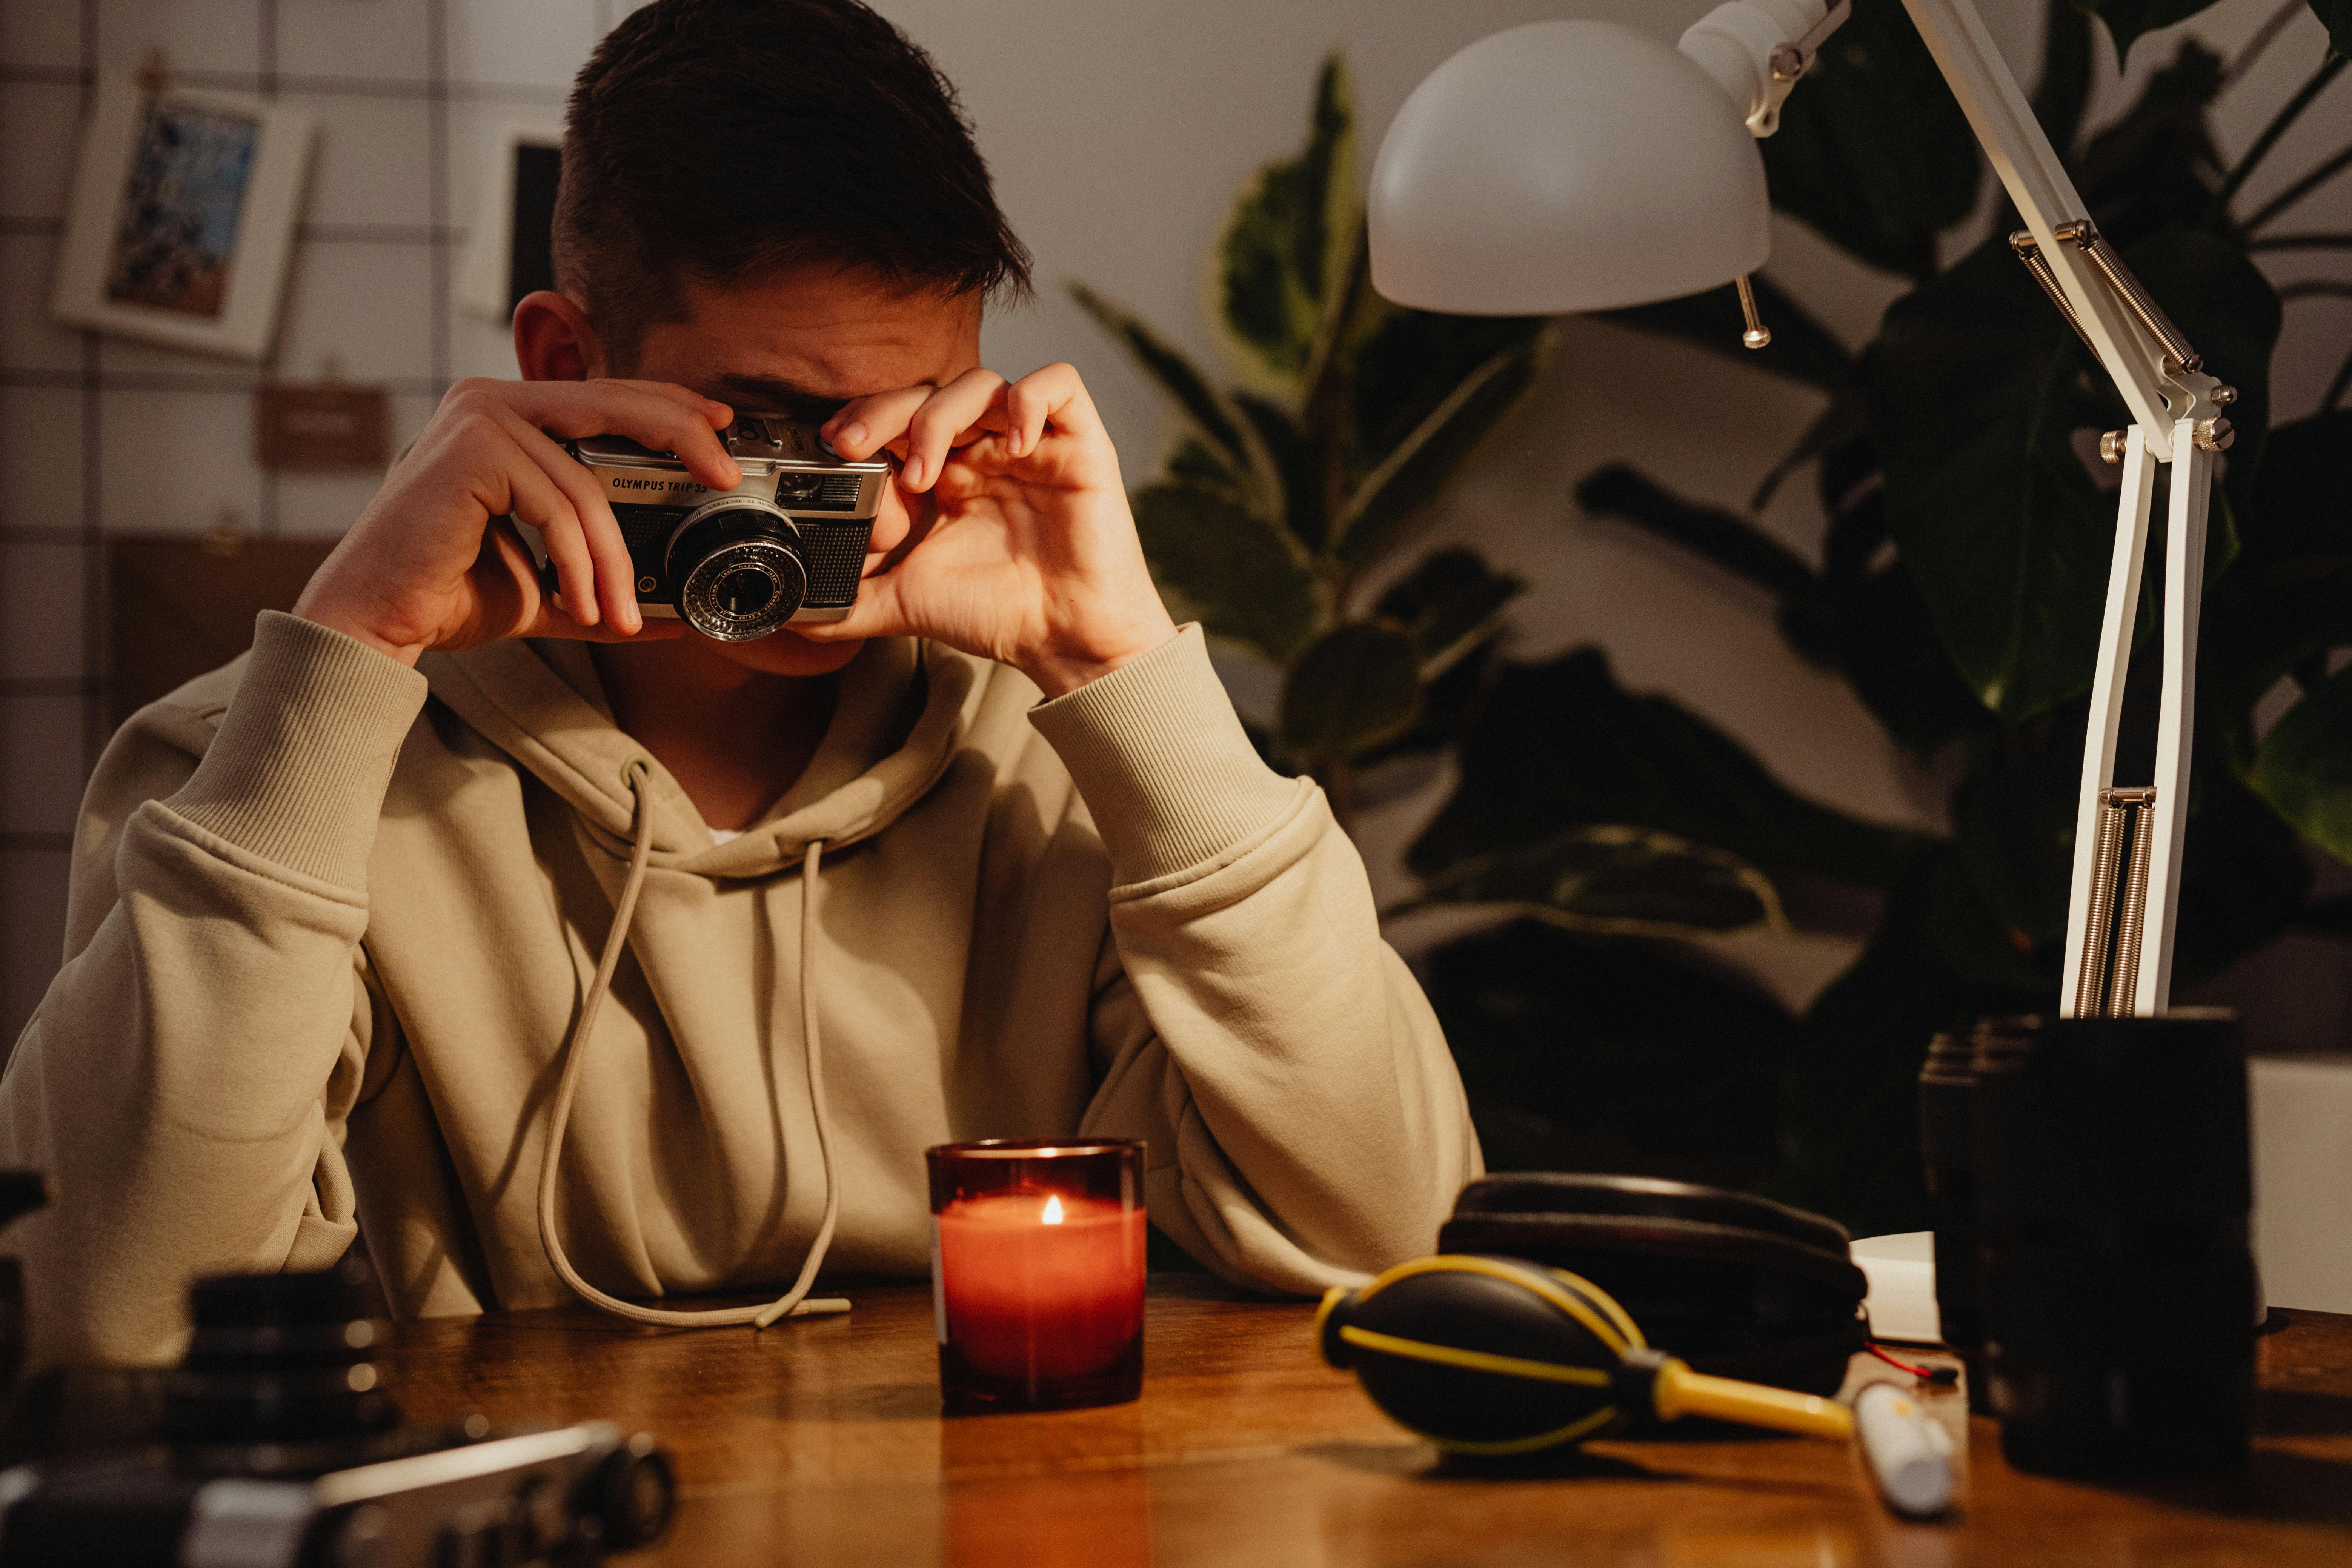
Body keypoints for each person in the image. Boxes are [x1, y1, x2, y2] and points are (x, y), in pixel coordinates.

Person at [0, 0, 1479, 1364]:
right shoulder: (250, 774)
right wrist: (350, 655)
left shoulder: (1064, 774)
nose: (841, 498)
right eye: (768, 423)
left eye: (900, 420)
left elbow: (1397, 1234)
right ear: (563, 361)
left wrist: (1122, 665)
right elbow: (110, 1332)